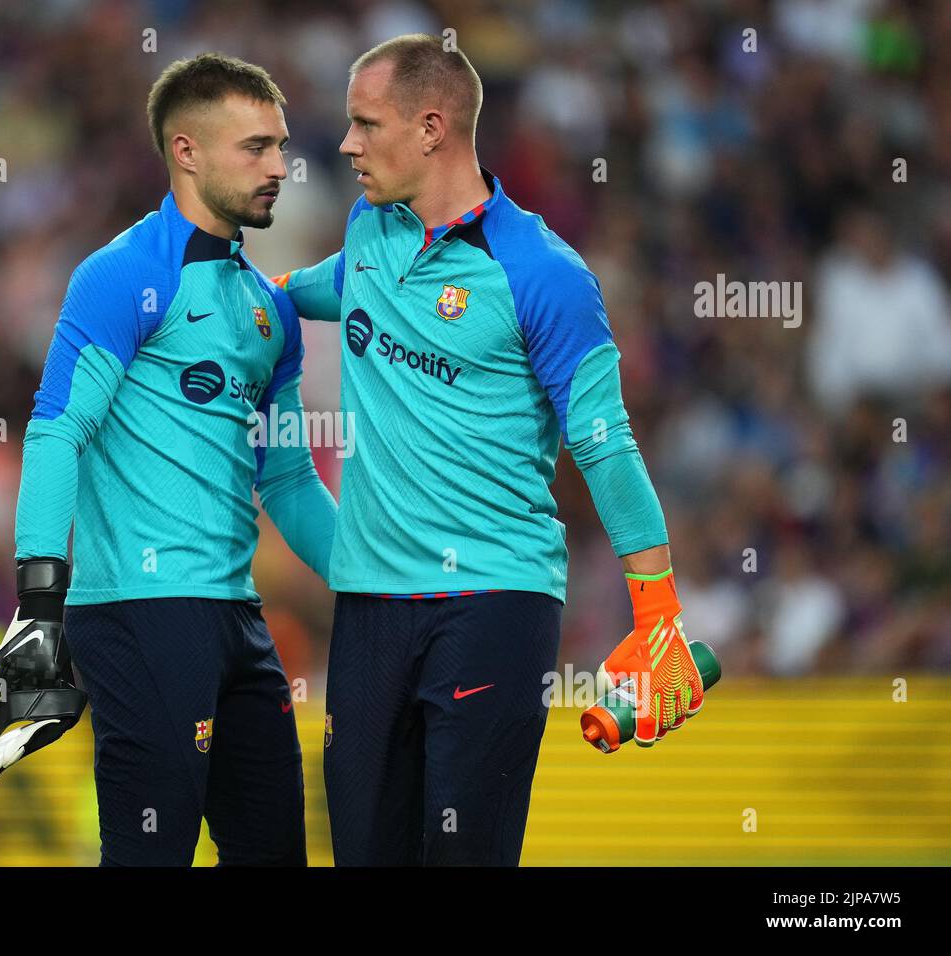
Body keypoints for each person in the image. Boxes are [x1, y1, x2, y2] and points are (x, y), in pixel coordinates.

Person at [274, 34, 704, 865]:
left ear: (432, 127)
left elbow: (606, 446)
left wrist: (657, 613)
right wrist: (247, 305)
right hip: (366, 612)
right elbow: (331, 286)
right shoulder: (370, 227)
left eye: (365, 124)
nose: (345, 144)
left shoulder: (544, 273)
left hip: (492, 602)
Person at [0, 53, 336, 867]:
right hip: (139, 612)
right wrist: (39, 607)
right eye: (255, 148)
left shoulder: (272, 311)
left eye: (281, 147)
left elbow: (290, 478)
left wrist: (370, 575)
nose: (278, 169)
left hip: (238, 618)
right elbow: (56, 432)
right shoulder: (121, 277)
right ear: (185, 151)